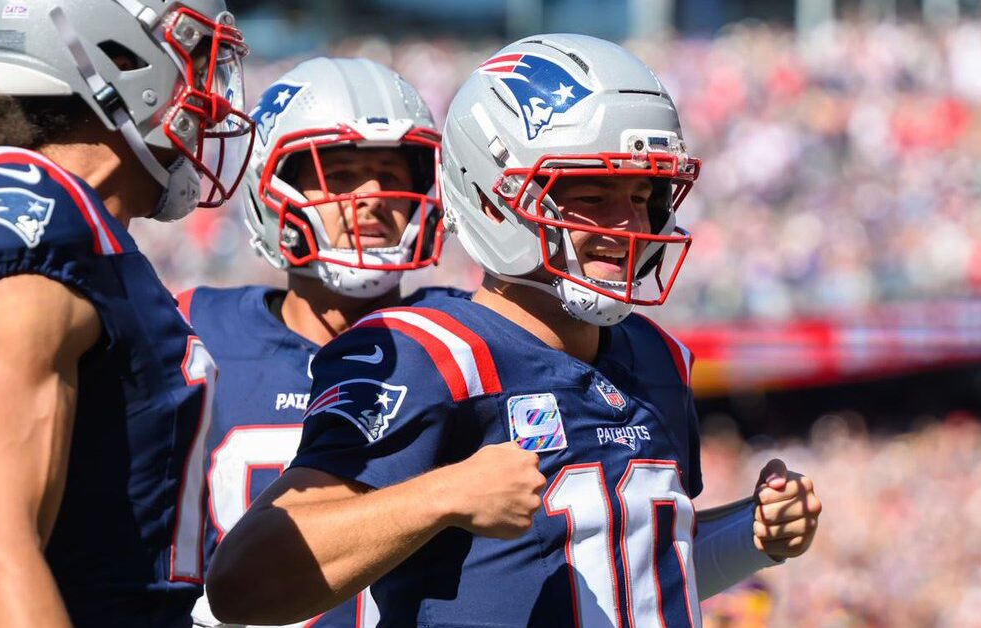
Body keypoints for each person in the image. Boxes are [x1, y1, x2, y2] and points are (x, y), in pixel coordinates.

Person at [206, 34, 822, 627]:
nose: (630, 222)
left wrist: (752, 537)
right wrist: (441, 495)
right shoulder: (428, 352)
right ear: (498, 198)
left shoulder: (658, 356)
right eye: (593, 194)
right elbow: (244, 582)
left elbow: (633, 578)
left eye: (643, 193)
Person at [0, 1, 253, 626]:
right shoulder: (28, 209)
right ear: (118, 58)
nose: (212, 95)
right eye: (196, 56)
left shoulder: (83, 227)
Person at [183, 57, 453, 628]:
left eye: (393, 173)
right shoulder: (190, 330)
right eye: (344, 173)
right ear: (270, 192)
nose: (375, 194)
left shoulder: (462, 337)